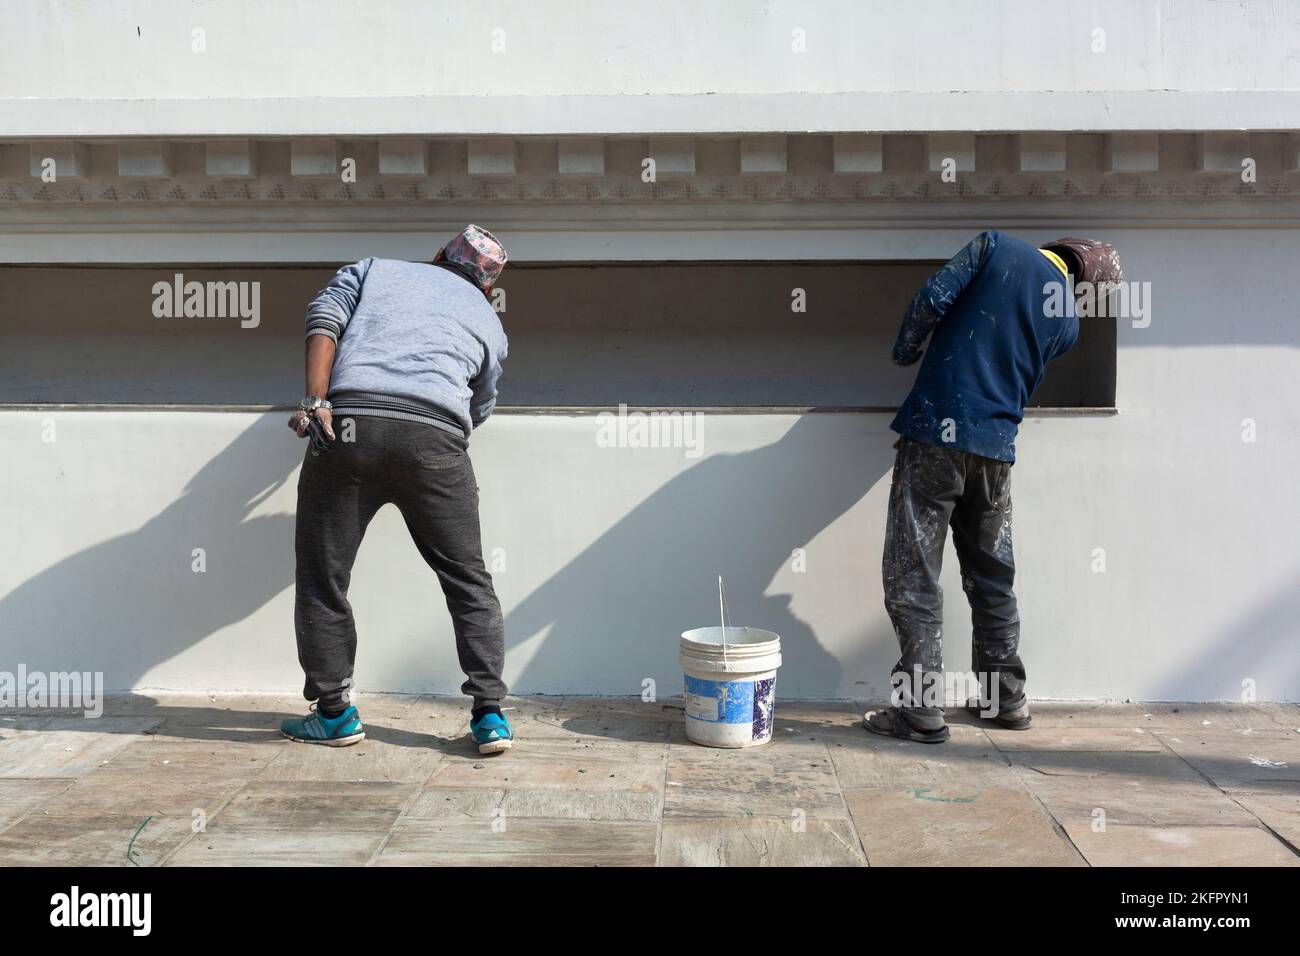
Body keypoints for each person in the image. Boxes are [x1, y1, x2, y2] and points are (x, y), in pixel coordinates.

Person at [867, 231, 1122, 743]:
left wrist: (903, 352)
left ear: (1063, 247)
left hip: (936, 435)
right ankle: (1004, 700)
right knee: (992, 576)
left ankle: (919, 711)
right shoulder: (1068, 326)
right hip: (996, 453)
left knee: (913, 574)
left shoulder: (995, 248)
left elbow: (932, 298)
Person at [281, 225, 514, 754]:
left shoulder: (375, 268)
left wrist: (317, 401)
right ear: (486, 285)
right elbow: (481, 402)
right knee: (467, 579)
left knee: (323, 575)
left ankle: (336, 714)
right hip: (437, 436)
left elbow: (324, 320)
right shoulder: (487, 319)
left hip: (348, 424)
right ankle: (490, 716)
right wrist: (433, 434)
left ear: (436, 256)